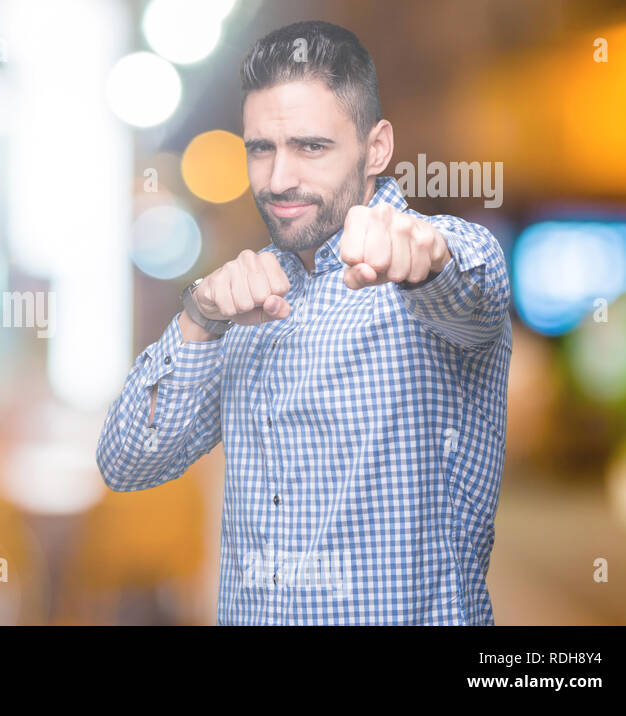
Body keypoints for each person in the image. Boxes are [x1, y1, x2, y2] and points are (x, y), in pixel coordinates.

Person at [96, 20, 511, 625]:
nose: (278, 179)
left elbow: (470, 287)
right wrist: (199, 319)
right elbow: (126, 462)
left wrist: (425, 258)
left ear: (376, 148)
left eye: (311, 147)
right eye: (260, 148)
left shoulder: (440, 261)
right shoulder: (246, 300)